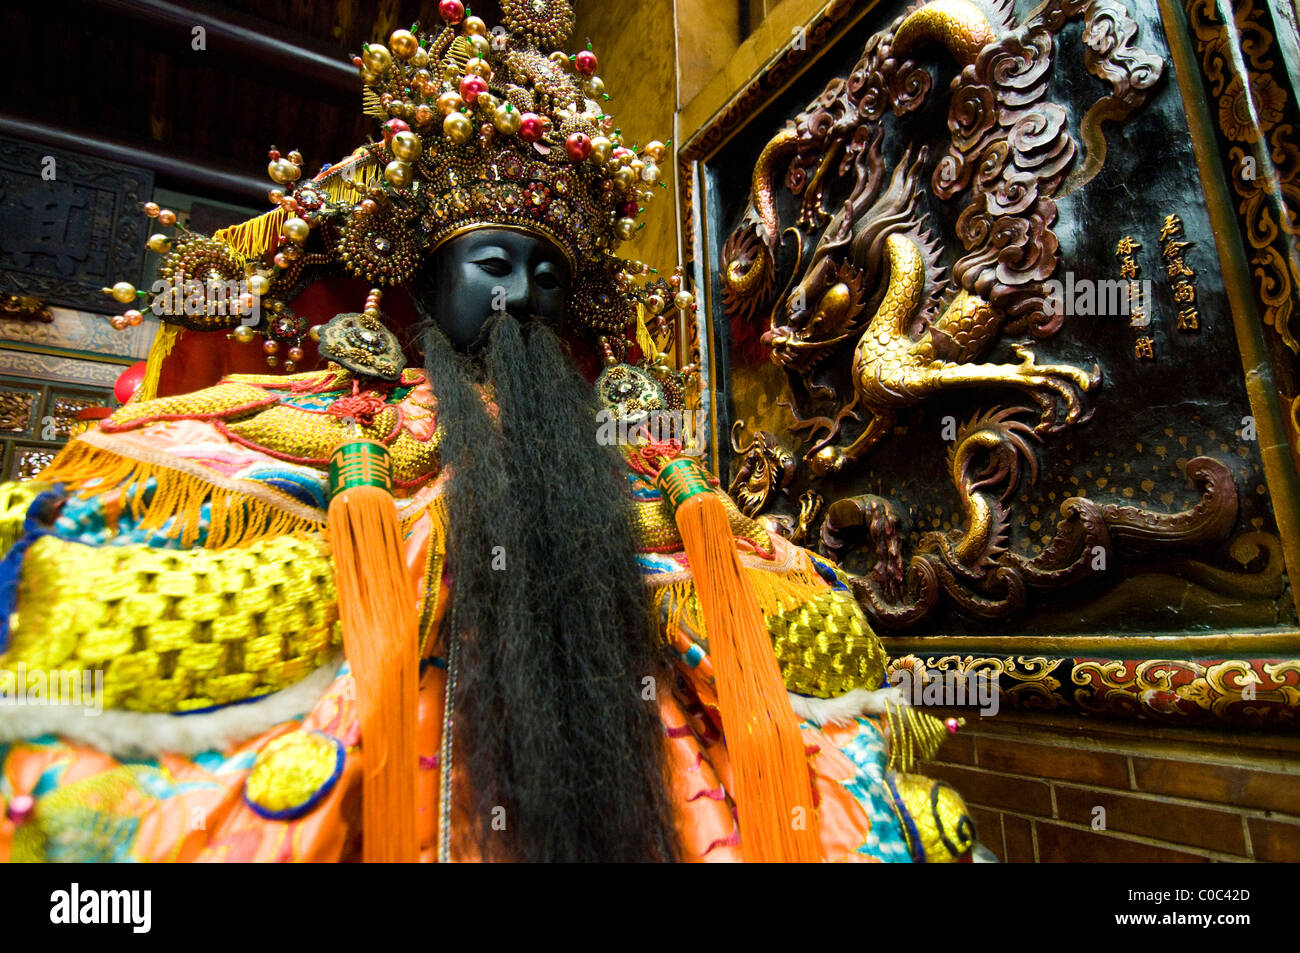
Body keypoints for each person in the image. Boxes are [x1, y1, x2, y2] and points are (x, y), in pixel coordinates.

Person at [0, 0, 975, 863]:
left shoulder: (651, 476)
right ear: (422, 284)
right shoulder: (318, 432)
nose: (520, 292)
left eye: (548, 275)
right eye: (492, 262)